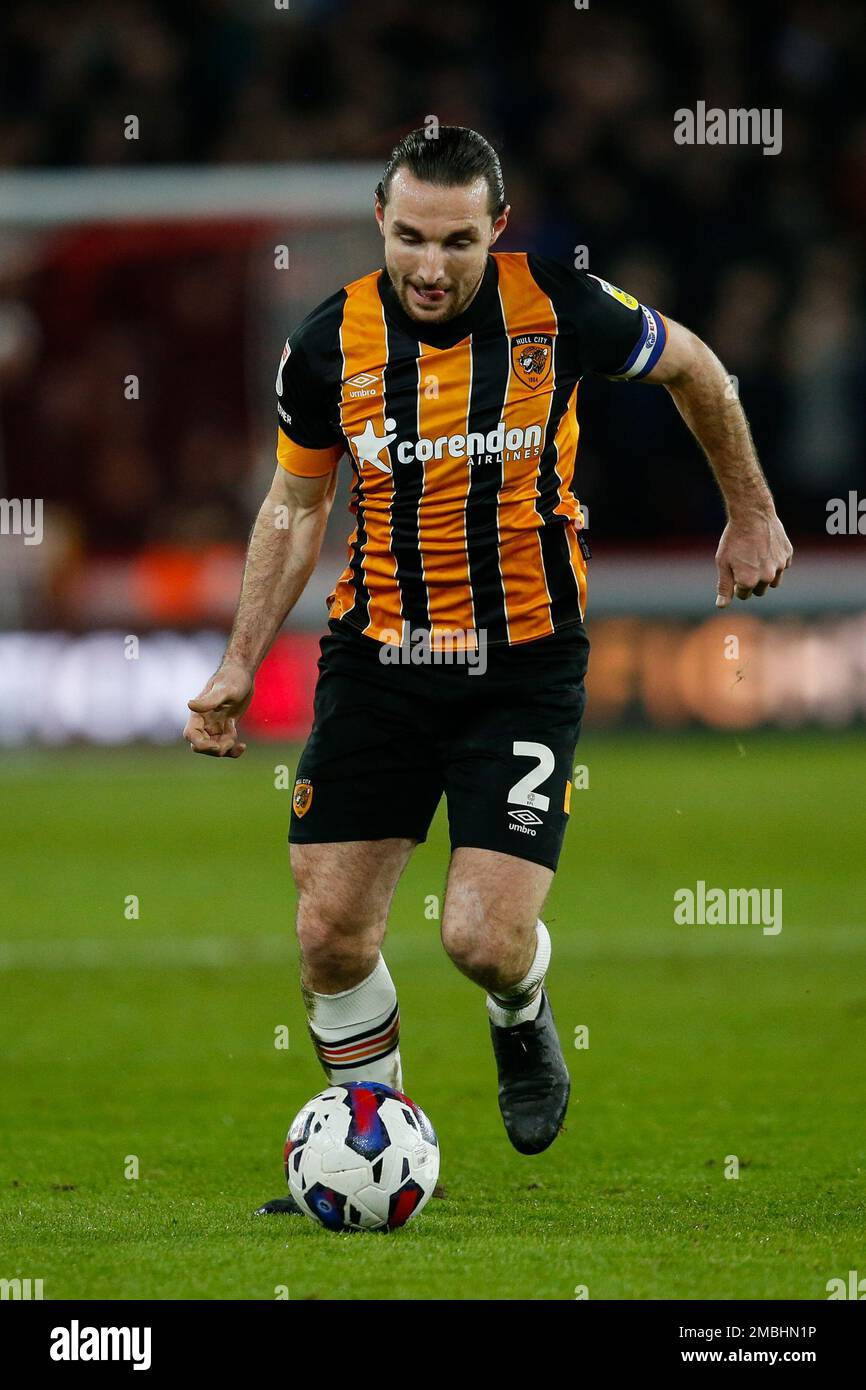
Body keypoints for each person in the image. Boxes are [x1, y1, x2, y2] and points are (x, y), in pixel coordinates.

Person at [183, 126, 793, 1212]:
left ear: (496, 229)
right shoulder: (326, 346)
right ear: (379, 220)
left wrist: (747, 512)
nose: (428, 265)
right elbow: (294, 503)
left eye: (456, 241)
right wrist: (239, 663)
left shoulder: (558, 307)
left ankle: (520, 1012)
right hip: (377, 658)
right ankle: (371, 1142)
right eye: (409, 236)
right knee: (328, 932)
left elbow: (694, 365)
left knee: (481, 938)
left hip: (521, 662)